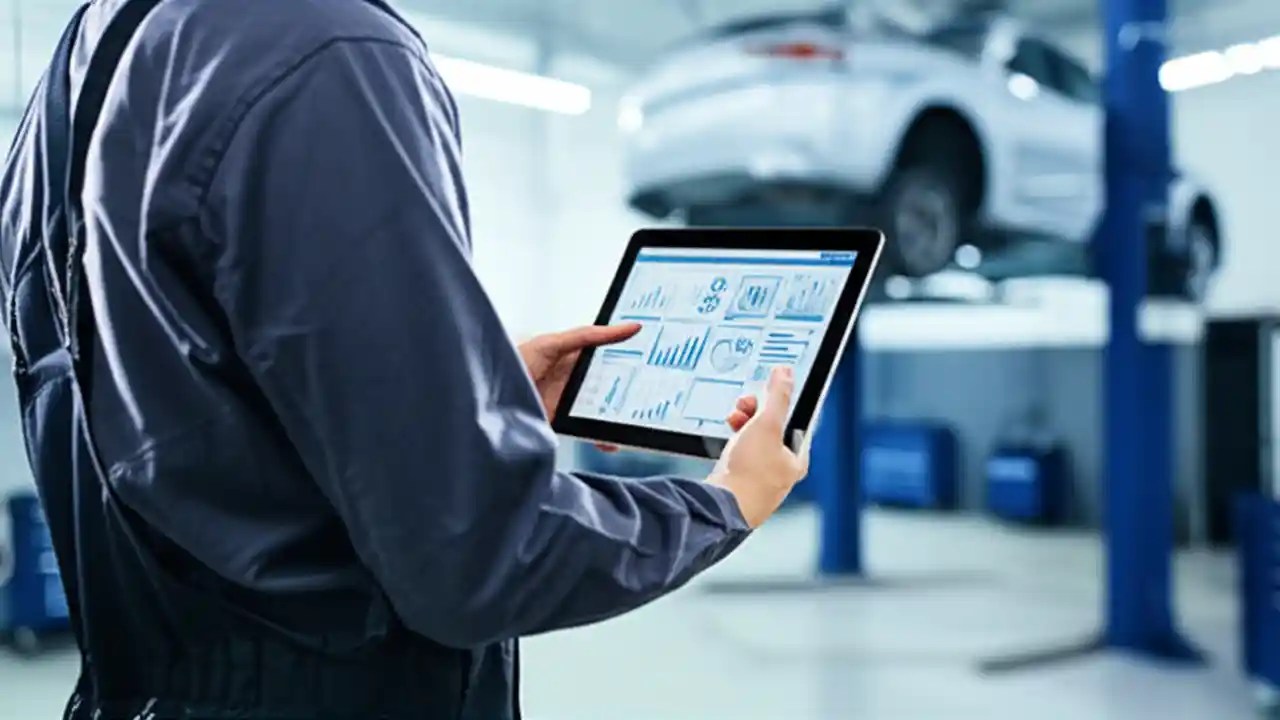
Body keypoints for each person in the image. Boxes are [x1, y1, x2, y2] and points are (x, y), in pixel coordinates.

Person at [0, 1, 808, 718]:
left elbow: (194, 403)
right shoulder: (329, 47)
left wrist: (466, 396)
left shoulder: (88, 65)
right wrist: (726, 501)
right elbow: (476, 557)